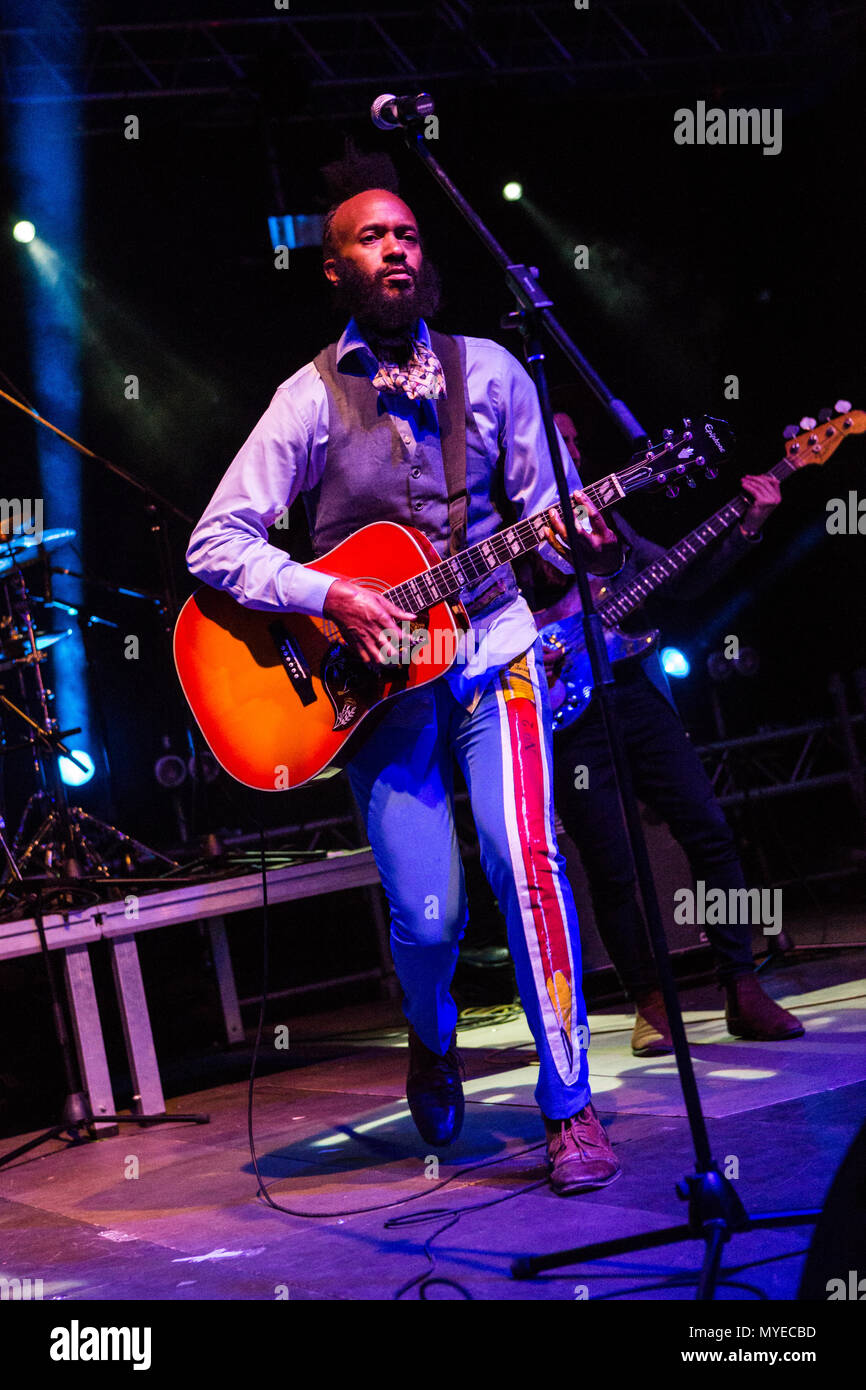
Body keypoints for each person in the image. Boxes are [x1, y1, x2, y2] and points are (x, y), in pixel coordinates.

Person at [185, 176, 629, 1194]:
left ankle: (570, 1106)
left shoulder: (497, 373)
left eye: (409, 234)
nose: (395, 248)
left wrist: (574, 543)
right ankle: (432, 1038)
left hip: (493, 651)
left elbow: (544, 538)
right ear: (336, 268)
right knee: (427, 916)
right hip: (375, 689)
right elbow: (217, 543)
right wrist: (326, 590)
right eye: (370, 237)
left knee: (526, 865)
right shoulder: (303, 399)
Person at [530, 409, 804, 1055]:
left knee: (708, 828)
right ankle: (650, 1003)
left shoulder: (609, 521)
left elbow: (680, 580)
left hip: (635, 694)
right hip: (564, 710)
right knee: (612, 865)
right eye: (557, 440)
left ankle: (742, 985)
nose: (571, 449)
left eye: (574, 440)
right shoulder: (504, 530)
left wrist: (750, 523)